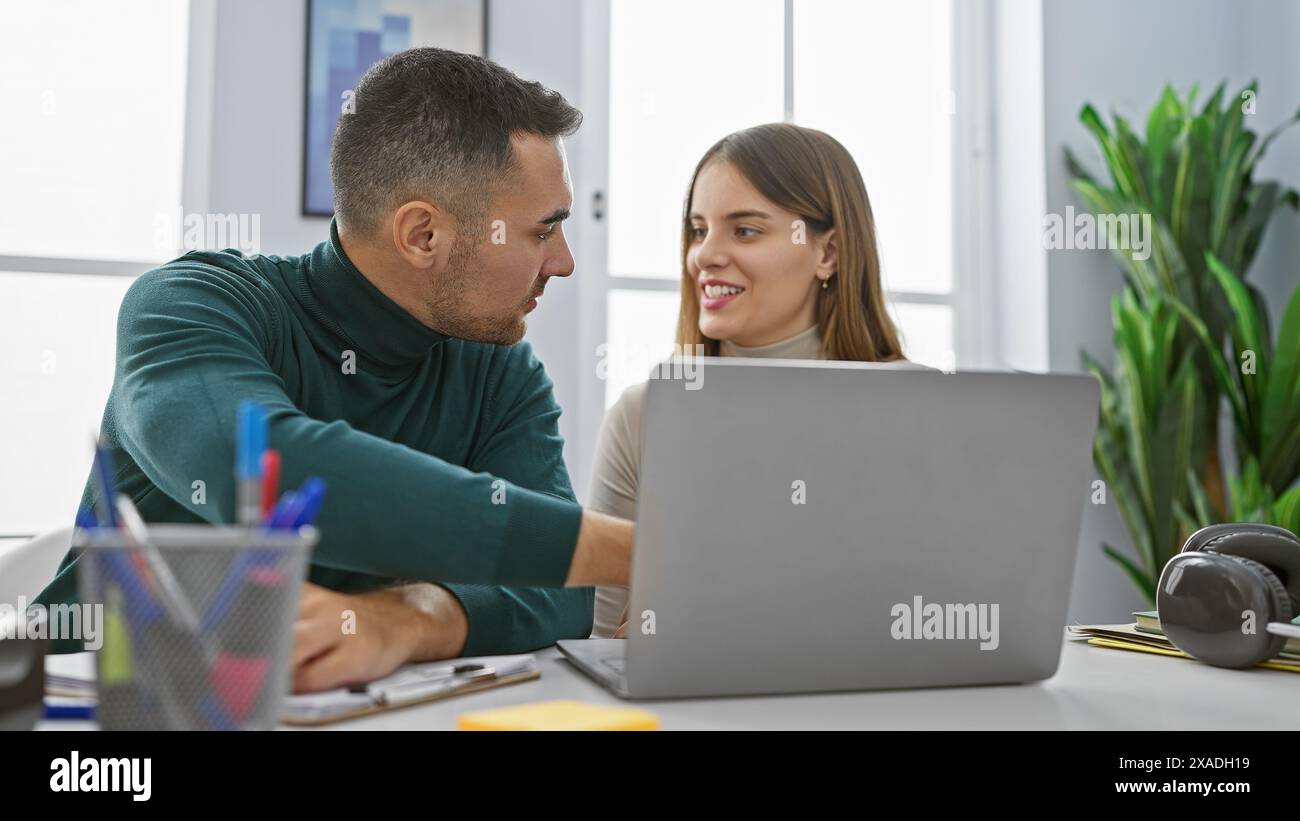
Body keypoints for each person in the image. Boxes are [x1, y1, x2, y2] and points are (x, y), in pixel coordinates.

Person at [34, 48, 634, 692]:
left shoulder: (498, 367)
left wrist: (404, 620)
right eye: (542, 232)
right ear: (423, 235)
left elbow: (559, 597)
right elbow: (262, 465)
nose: (565, 263)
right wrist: (635, 550)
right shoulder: (192, 305)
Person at [587, 123, 930, 637]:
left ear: (828, 253)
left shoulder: (923, 407)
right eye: (699, 230)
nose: (703, 256)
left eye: (744, 230)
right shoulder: (642, 416)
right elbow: (593, 641)